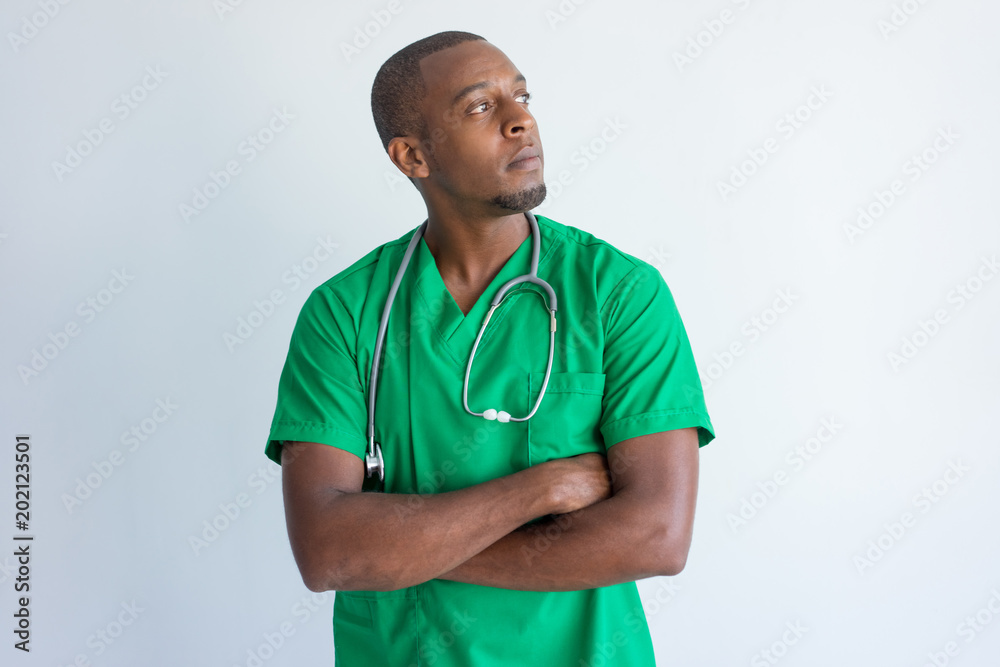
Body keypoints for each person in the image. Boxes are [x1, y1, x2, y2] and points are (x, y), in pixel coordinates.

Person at [264, 30, 716, 666]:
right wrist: (541, 490)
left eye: (522, 95)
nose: (520, 119)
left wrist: (403, 551)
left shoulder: (617, 292)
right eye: (480, 107)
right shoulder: (345, 313)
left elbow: (657, 536)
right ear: (412, 157)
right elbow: (328, 552)